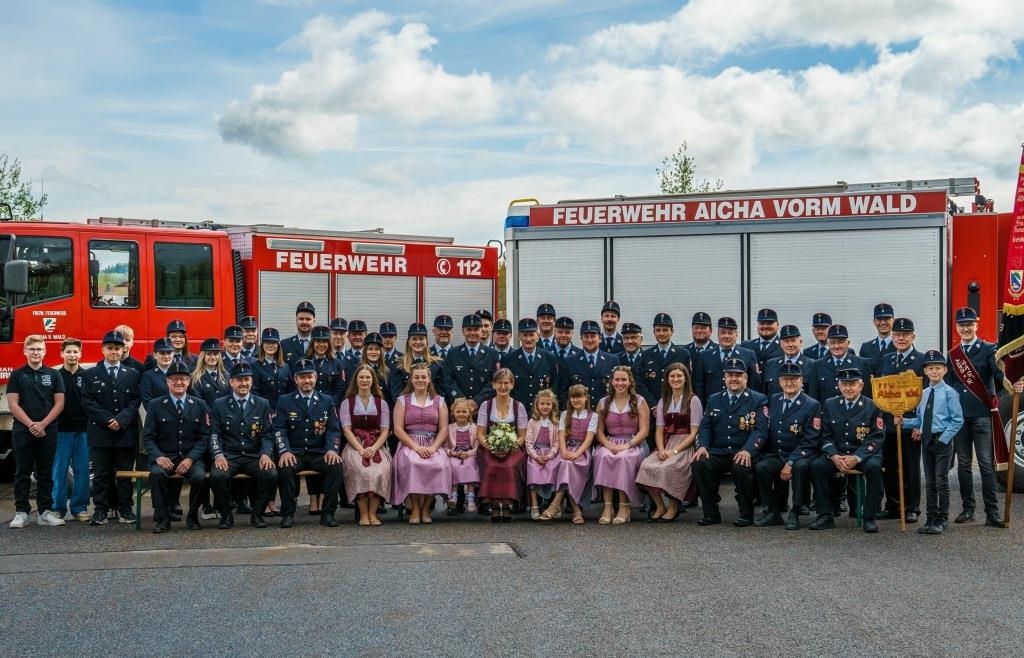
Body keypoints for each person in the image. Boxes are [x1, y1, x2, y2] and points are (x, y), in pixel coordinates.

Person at [946, 306, 1005, 527]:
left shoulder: (989, 350)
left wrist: (1013, 381)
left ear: (976, 325)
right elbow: (950, 389)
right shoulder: (953, 356)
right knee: (963, 466)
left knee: (986, 465)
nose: (966, 328)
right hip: (961, 419)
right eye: (962, 325)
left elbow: (999, 374)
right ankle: (967, 509)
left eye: (969, 324)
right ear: (957, 328)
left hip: (981, 416)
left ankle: (992, 513)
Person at [692, 357, 768, 527]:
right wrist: (702, 446)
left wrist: (749, 450)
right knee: (699, 463)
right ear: (724, 378)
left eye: (738, 375)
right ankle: (710, 513)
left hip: (742, 450)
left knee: (741, 466)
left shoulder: (758, 399)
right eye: (730, 375)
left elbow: (760, 430)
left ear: (746, 378)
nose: (734, 379)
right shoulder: (714, 399)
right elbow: (705, 427)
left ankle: (746, 513)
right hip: (719, 451)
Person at [808, 367, 885, 533]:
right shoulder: (830, 404)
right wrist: (834, 455)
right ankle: (825, 515)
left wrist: (857, 458)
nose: (848, 388)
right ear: (839, 385)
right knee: (817, 466)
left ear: (861, 385)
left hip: (864, 454)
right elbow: (824, 435)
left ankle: (870, 517)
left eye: (852, 384)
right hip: (838, 454)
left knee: (874, 467)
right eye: (844, 384)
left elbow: (876, 437)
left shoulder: (873, 405)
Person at [896, 351, 964, 535]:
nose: (934, 371)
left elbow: (957, 420)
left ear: (945, 370)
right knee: (930, 481)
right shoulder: (923, 393)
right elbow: (920, 419)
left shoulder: (950, 393)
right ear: (925, 371)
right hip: (926, 441)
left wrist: (943, 439)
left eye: (938, 368)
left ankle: (942, 519)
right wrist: (904, 422)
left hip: (942, 440)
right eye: (930, 368)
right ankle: (930, 518)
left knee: (941, 481)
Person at [272, 359, 344, 529]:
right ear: (295, 379)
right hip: (295, 452)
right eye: (302, 377)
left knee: (336, 466)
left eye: (309, 376)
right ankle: (288, 513)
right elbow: (279, 429)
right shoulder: (284, 400)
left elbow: (333, 429)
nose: (306, 381)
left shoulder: (326, 400)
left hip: (318, 452)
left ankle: (328, 513)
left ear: (316, 377)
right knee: (285, 467)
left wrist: (332, 450)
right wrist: (284, 451)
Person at [81, 330, 141, 526]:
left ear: (123, 349)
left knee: (125, 474)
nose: (114, 352)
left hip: (124, 432)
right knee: (101, 474)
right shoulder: (90, 374)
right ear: (103, 349)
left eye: (117, 348)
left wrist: (121, 419)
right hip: (101, 432)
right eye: (110, 348)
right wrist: (108, 420)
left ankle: (125, 509)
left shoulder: (132, 374)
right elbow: (87, 401)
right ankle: (100, 510)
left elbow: (134, 401)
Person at [141, 361, 209, 533]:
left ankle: (193, 517)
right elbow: (148, 437)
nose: (179, 382)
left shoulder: (199, 404)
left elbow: (203, 438)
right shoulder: (156, 404)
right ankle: (163, 519)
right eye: (174, 379)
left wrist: (191, 458)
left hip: (190, 457)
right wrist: (158, 456)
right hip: (165, 456)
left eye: (183, 379)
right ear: (167, 382)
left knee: (200, 477)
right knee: (157, 474)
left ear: (189, 381)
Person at [209, 362, 278, 529]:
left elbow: (267, 435)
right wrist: (218, 455)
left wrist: (265, 454)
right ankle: (226, 516)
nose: (243, 383)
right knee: (217, 475)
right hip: (229, 455)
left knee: (270, 474)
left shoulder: (262, 403)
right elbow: (214, 435)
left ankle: (258, 515)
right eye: (239, 380)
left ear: (252, 381)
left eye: (247, 379)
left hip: (253, 455)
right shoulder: (219, 404)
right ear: (231, 382)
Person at [7, 335, 66, 528]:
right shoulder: (16, 375)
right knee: (22, 472)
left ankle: (44, 512)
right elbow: (13, 404)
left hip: (48, 430)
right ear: (25, 351)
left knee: (45, 473)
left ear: (45, 351)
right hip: (22, 430)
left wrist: (42, 425)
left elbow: (59, 403)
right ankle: (21, 512)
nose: (35, 352)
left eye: (39, 349)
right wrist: (32, 424)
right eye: (31, 349)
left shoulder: (54, 374)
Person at [753, 362, 821, 529]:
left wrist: (790, 462)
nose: (789, 383)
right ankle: (773, 511)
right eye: (785, 379)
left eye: (794, 379)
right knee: (762, 467)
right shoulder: (773, 400)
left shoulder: (812, 405)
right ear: (780, 382)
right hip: (778, 452)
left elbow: (811, 439)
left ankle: (795, 511)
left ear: (801, 381)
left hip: (801, 454)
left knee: (799, 468)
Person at [635, 362, 701, 523]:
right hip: (666, 442)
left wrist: (675, 451)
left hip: (685, 445)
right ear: (667, 379)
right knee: (646, 465)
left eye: (679, 376)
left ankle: (673, 506)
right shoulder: (663, 401)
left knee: (669, 467)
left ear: (686, 379)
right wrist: (661, 449)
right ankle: (659, 506)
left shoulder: (693, 400)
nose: (676, 379)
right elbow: (659, 430)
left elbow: (694, 433)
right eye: (672, 376)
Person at [876, 317, 925, 523]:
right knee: (889, 467)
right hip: (888, 423)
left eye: (905, 335)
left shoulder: (921, 360)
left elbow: (925, 395)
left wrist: (919, 424)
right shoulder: (886, 360)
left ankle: (912, 507)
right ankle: (894, 505)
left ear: (913, 336)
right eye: (897, 335)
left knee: (910, 467)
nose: (901, 338)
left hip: (910, 424)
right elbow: (879, 391)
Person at [392, 362, 451, 524]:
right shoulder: (402, 400)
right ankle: (415, 507)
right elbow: (398, 429)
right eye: (416, 377)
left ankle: (426, 506)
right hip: (409, 442)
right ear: (410, 379)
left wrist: (433, 447)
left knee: (439, 464)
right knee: (412, 463)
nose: (420, 380)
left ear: (429, 379)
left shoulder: (439, 401)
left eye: (423, 377)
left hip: (432, 442)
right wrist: (415, 446)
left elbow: (444, 429)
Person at [592, 366, 650, 524]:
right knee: (603, 456)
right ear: (611, 382)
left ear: (630, 381)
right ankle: (608, 506)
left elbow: (644, 431)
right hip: (610, 441)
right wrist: (607, 444)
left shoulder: (639, 401)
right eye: (617, 379)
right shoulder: (603, 402)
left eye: (624, 379)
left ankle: (625, 506)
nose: (620, 383)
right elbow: (598, 431)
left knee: (624, 459)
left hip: (633, 443)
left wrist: (628, 445)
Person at [340, 364, 393, 526]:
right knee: (359, 469)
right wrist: (361, 449)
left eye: (368, 377)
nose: (364, 380)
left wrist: (374, 447)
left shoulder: (381, 403)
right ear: (355, 380)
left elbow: (385, 430)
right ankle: (363, 514)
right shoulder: (347, 403)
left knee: (381, 469)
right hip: (355, 445)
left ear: (373, 380)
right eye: (361, 377)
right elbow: (346, 430)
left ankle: (373, 513)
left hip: (376, 444)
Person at [476, 368, 528, 522]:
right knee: (491, 464)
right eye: (499, 383)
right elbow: (480, 433)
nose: (503, 386)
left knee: (510, 465)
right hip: (489, 448)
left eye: (507, 383)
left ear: (512, 385)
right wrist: (492, 447)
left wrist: (509, 447)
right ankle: (492, 504)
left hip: (513, 448)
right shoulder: (486, 406)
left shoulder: (519, 406)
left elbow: (522, 436)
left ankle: (507, 504)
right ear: (493, 385)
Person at [540, 384, 596, 524]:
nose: (576, 400)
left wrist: (577, 453)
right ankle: (576, 511)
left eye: (579, 397)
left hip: (581, 453)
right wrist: (564, 451)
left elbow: (589, 439)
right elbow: (562, 436)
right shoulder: (565, 414)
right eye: (573, 397)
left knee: (567, 466)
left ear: (586, 398)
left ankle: (555, 504)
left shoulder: (593, 416)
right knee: (565, 464)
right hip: (566, 451)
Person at [52, 338, 91, 522]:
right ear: (62, 354)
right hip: (61, 431)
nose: (72, 355)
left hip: (84, 430)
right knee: (59, 471)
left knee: (82, 471)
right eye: (68, 352)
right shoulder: (55, 376)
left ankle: (79, 507)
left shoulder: (88, 376)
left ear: (80, 354)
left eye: (75, 352)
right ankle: (57, 508)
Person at [694, 317, 760, 403]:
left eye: (730, 333)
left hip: (741, 406)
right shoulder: (705, 355)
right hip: (713, 407)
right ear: (717, 335)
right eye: (723, 332)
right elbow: (699, 386)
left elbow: (754, 385)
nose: (726, 336)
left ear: (736, 334)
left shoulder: (748, 355)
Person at [635, 313, 692, 408]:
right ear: (654, 332)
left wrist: (678, 404)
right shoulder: (645, 355)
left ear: (672, 331)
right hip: (652, 408)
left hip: (676, 407)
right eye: (658, 330)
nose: (661, 333)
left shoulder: (683, 354)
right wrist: (653, 405)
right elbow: (640, 383)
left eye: (665, 330)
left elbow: (689, 382)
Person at [558, 320, 617, 410]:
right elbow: (563, 393)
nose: (589, 340)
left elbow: (616, 390)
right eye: (586, 336)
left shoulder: (612, 360)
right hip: (579, 415)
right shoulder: (570, 361)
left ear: (600, 338)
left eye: (593, 336)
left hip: (604, 414)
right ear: (581, 338)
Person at [443, 314, 500, 406]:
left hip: (483, 407)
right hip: (458, 409)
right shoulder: (453, 353)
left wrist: (476, 401)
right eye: (469, 329)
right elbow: (448, 381)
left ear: (481, 331)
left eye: (476, 329)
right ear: (463, 331)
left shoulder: (492, 354)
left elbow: (494, 381)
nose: (472, 333)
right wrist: (461, 401)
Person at [808, 324, 873, 403]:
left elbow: (867, 396)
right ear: (828, 343)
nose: (836, 346)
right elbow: (813, 396)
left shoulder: (863, 363)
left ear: (848, 343)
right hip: (827, 414)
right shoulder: (818, 365)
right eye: (832, 342)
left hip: (855, 414)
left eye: (840, 342)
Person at [504, 317, 559, 409]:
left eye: (531, 335)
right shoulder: (509, 359)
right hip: (517, 411)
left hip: (542, 412)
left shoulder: (549, 357)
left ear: (537, 336)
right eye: (525, 335)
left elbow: (554, 386)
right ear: (519, 336)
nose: (528, 339)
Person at [525, 389, 562, 520]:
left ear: (553, 406)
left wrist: (550, 455)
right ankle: (534, 505)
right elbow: (528, 441)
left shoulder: (556, 422)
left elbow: (558, 442)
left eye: (548, 404)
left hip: (550, 454)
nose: (545, 407)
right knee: (533, 468)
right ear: (537, 405)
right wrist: (535, 456)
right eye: (542, 404)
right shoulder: (532, 422)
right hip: (536, 453)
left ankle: (554, 504)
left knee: (554, 467)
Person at [391, 323, 445, 402]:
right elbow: (396, 395)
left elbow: (442, 394)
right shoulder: (399, 364)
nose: (418, 342)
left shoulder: (437, 364)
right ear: (409, 342)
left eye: (421, 338)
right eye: (414, 338)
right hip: (407, 410)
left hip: (431, 410)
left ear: (426, 341)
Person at [445, 398, 480, 515]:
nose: (461, 414)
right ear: (453, 413)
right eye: (458, 411)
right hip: (455, 454)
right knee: (452, 466)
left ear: (469, 412)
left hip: (469, 455)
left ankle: (471, 499)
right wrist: (453, 453)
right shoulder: (449, 428)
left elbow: (476, 445)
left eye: (464, 411)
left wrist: (469, 453)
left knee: (470, 465)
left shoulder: (474, 427)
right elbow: (445, 446)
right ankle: (453, 497)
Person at [761, 325, 815, 397]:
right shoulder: (771, 364)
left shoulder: (812, 365)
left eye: (793, 340)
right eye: (786, 341)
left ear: (800, 342)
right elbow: (765, 393)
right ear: (781, 344)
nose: (790, 345)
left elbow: (815, 395)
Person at [251, 327, 294, 409]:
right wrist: (268, 410)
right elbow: (254, 392)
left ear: (278, 345)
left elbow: (290, 390)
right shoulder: (255, 366)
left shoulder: (285, 367)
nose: (270, 346)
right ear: (262, 345)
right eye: (267, 342)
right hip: (263, 411)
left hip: (283, 410)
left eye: (273, 343)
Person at [307, 325, 347, 407]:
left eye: (325, 341)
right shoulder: (305, 361)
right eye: (318, 341)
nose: (321, 345)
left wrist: (330, 405)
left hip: (330, 407)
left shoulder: (337, 363)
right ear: (312, 343)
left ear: (329, 343)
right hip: (308, 407)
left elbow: (340, 389)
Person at [189, 338, 230, 407]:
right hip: (206, 416)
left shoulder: (226, 376)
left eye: (215, 354)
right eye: (209, 354)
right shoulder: (195, 377)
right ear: (203, 356)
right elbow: (197, 402)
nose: (213, 357)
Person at [858, 303, 897, 371]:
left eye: (886, 318)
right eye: (879, 319)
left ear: (893, 320)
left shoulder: (900, 346)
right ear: (874, 321)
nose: (883, 323)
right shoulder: (866, 347)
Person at [140, 338, 175, 406]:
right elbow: (147, 402)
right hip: (158, 416)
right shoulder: (148, 376)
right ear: (155, 355)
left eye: (169, 352)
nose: (166, 356)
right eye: (162, 353)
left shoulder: (180, 374)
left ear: (173, 354)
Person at [360, 332, 392, 407]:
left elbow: (388, 397)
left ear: (381, 352)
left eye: (377, 349)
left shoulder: (387, 371)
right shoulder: (356, 370)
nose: (374, 352)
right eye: (370, 349)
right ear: (365, 351)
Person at [281, 301, 317, 366]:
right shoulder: (284, 345)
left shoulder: (320, 345)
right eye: (301, 319)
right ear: (296, 321)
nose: (304, 322)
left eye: (308, 319)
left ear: (314, 321)